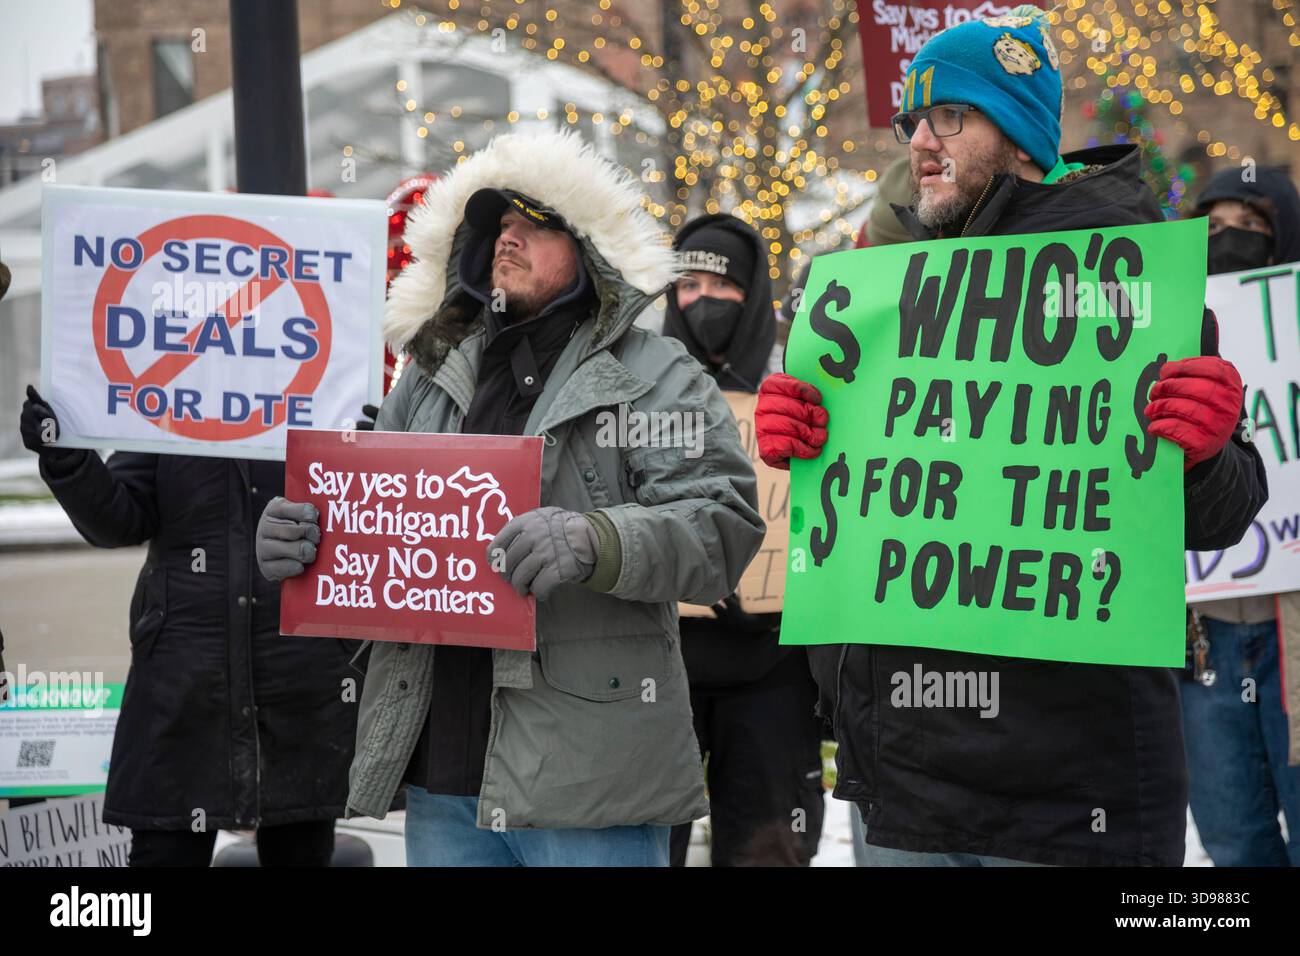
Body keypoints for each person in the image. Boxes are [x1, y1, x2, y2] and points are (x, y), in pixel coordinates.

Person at [754, 5, 1268, 866]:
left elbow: (1222, 515)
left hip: (1073, 795)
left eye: (951, 115)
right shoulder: (880, 295)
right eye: (913, 119)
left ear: (1022, 130)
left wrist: (1207, 450)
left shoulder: (1127, 270)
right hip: (904, 787)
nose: (922, 139)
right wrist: (807, 435)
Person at [255, 130, 765, 867]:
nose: (508, 238)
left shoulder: (658, 374)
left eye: (534, 221)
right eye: (497, 224)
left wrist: (597, 541)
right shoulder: (426, 379)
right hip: (443, 778)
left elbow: (720, 529)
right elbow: (380, 555)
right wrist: (310, 548)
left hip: (589, 784)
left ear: (587, 246)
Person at [17, 389, 360, 867]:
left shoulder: (332, 391)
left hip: (300, 684)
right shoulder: (179, 394)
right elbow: (118, 521)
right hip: (183, 686)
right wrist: (69, 460)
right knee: (165, 853)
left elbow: (376, 525)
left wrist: (374, 453)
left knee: (301, 845)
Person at [662, 214, 824, 866]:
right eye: (687, 283)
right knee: (646, 845)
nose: (702, 299)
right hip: (661, 668)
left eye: (720, 285)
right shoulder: (634, 384)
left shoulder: (803, 382)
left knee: (769, 848)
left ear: (753, 290)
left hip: (772, 672)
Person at [1181, 166, 1300, 865]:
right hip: (1205, 638)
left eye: (1252, 228)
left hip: (1290, 630)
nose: (1229, 243)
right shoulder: (1173, 329)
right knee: (1234, 838)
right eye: (1214, 228)